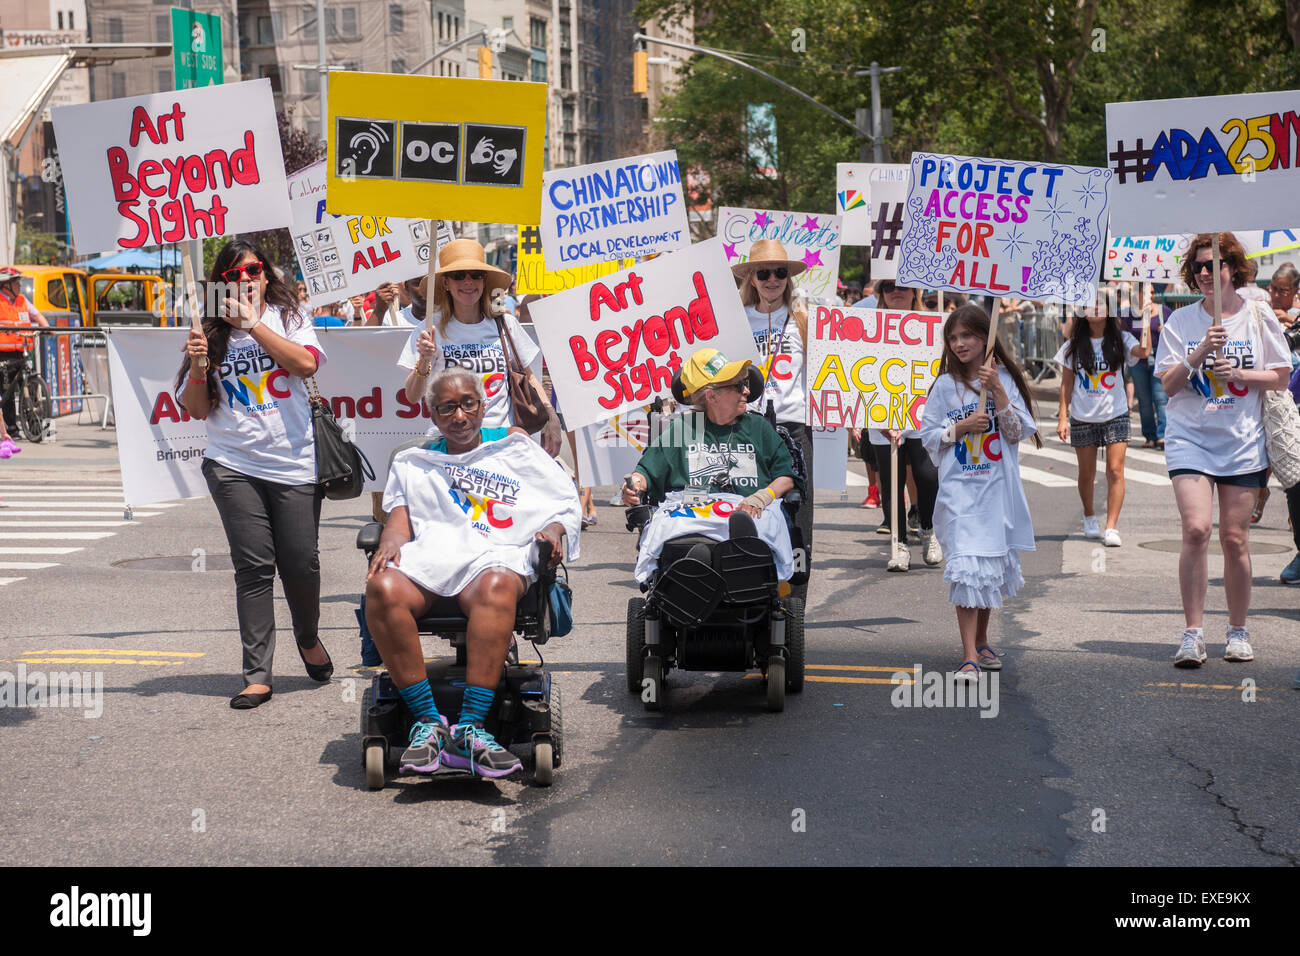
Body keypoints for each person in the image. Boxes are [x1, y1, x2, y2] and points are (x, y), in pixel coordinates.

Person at [364, 368, 579, 777]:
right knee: (383, 585)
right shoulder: (417, 462)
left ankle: (472, 728)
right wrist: (390, 540)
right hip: (436, 555)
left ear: (482, 406)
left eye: (468, 404)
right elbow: (400, 520)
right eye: (447, 408)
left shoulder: (514, 450)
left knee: (497, 582)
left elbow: (559, 503)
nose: (459, 416)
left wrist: (553, 530)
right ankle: (427, 723)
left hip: (495, 556)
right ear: (432, 413)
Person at [177, 239, 333, 709]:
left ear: (266, 276)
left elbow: (305, 363)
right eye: (232, 275)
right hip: (232, 465)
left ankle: (307, 636)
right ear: (220, 284)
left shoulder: (290, 317)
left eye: (252, 271)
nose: (243, 280)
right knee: (253, 568)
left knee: (301, 564)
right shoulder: (207, 328)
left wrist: (252, 325)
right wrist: (201, 366)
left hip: (294, 463)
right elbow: (197, 408)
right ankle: (257, 673)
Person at [1155, 232, 1291, 668]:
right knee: (1196, 529)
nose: (1205, 273)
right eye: (1198, 267)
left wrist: (1243, 372)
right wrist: (1200, 353)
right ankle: (1193, 634)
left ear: (1233, 269)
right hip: (1191, 437)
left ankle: (1237, 631)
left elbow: (1282, 376)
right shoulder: (1180, 322)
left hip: (1242, 439)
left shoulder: (1258, 315)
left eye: (1214, 265)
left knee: (1235, 539)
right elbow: (1169, 385)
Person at [920, 304, 1040, 681]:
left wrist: (999, 392)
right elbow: (927, 437)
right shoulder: (944, 386)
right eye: (952, 338)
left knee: (988, 568)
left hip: (996, 492)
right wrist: (961, 427)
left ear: (985, 338)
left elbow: (1018, 431)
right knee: (966, 568)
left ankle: (983, 640)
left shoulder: (1003, 377)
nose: (959, 344)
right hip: (959, 494)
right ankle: (969, 653)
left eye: (967, 336)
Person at [623, 348, 800, 580]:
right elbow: (646, 472)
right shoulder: (683, 428)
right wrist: (634, 486)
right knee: (678, 533)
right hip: (694, 509)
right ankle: (699, 565)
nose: (747, 390)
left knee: (757, 523)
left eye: (745, 383)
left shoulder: (758, 429)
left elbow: (787, 475)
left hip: (748, 507)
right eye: (738, 386)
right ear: (711, 396)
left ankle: (733, 554)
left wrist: (765, 495)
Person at [399, 239, 562, 456]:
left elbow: (531, 377)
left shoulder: (505, 324)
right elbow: (411, 396)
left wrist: (552, 418)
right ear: (446, 283)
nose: (468, 282)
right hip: (449, 442)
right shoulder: (429, 329)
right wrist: (425, 360)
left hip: (503, 441)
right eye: (459, 275)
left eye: (476, 274)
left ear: (484, 281)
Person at [733, 239, 814, 593]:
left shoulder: (803, 320)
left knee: (797, 519)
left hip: (793, 428)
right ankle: (750, 595)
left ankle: (793, 604)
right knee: (744, 512)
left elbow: (824, 374)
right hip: (747, 429)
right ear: (751, 277)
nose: (772, 280)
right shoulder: (735, 319)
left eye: (779, 272)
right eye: (763, 273)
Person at [1054, 290, 1149, 546]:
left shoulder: (1122, 339)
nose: (1095, 308)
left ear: (1109, 310)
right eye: (1089, 305)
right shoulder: (1072, 344)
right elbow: (1066, 383)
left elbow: (1143, 351)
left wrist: (1147, 318)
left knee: (1115, 470)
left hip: (1116, 414)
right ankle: (1089, 516)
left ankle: (1111, 527)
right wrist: (1063, 417)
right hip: (1083, 416)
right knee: (1086, 474)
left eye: (1100, 304)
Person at [866, 280, 942, 568]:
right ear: (881, 294)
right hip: (882, 416)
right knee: (891, 482)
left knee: (928, 477)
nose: (895, 291)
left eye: (902, 285)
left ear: (915, 292)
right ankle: (898, 543)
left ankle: (928, 528)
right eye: (887, 287)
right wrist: (871, 417)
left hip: (922, 415)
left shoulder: (932, 327)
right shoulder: (869, 327)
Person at [0, 267, 49, 438]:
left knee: (29, 385)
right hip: (3, 354)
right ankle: (12, 430)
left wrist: (47, 328)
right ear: (6, 285)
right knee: (6, 392)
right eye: (16, 282)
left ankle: (37, 428)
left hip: (22, 350)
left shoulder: (22, 300)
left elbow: (37, 315)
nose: (20, 285)